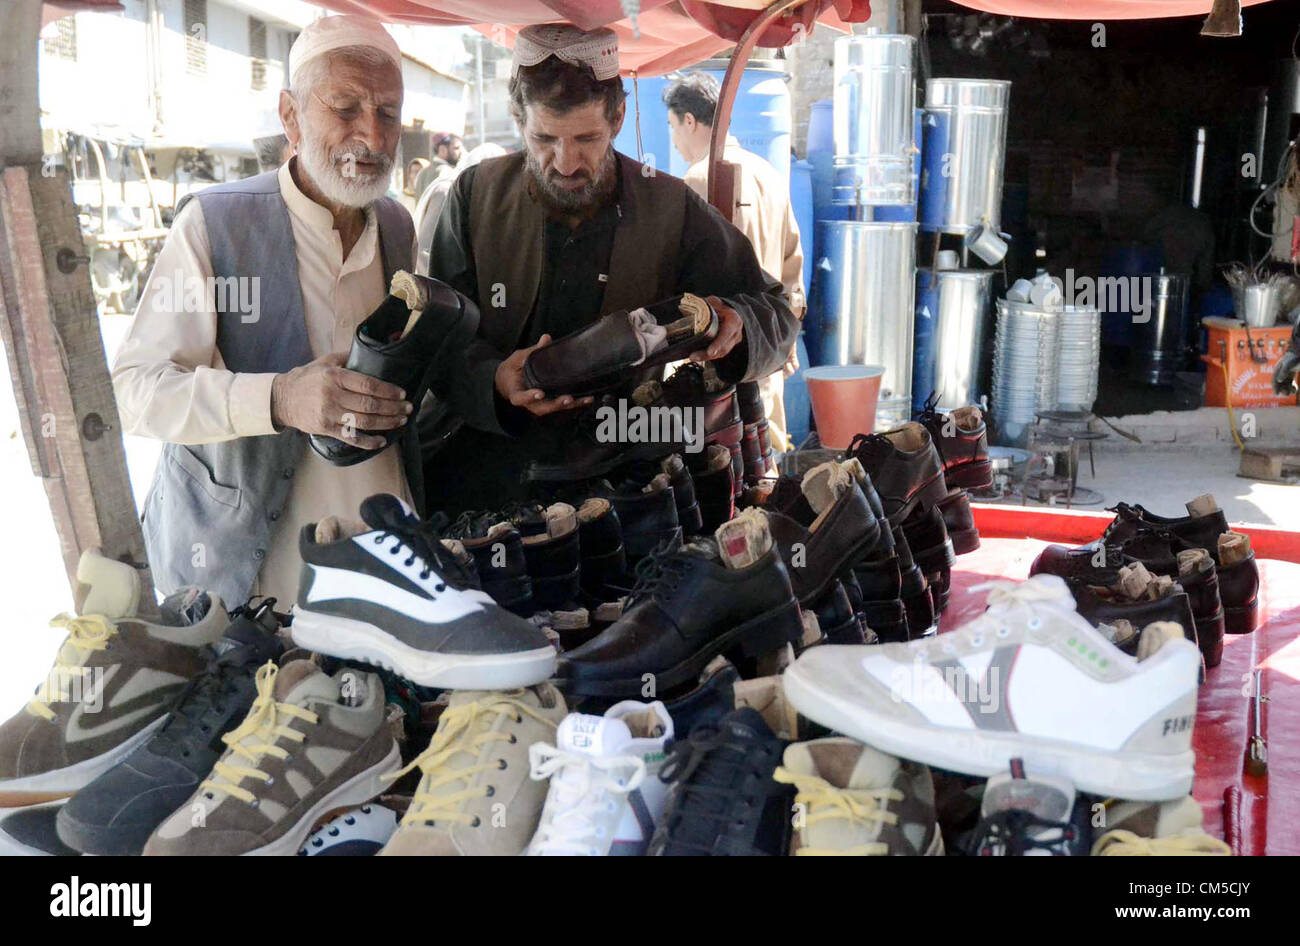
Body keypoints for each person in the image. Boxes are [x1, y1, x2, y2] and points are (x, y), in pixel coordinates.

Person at [424, 23, 798, 511]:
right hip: (486, 486)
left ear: (618, 116)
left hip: (628, 486)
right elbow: (438, 341)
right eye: (544, 139)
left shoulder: (670, 206)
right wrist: (493, 379)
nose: (564, 162)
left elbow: (777, 313)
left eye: (586, 138)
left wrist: (738, 324)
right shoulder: (474, 195)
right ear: (518, 117)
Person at [112, 15, 418, 608]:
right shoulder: (216, 223)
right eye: (346, 108)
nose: (372, 138)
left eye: (387, 113)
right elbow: (136, 389)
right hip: (254, 570)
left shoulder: (397, 227)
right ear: (290, 117)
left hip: (382, 552)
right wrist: (277, 398)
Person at [665, 70, 805, 453]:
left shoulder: (696, 179)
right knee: (767, 465)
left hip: (718, 362)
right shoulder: (770, 174)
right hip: (766, 349)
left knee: (725, 473)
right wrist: (786, 337)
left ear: (689, 121)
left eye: (672, 128)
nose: (674, 141)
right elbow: (793, 267)